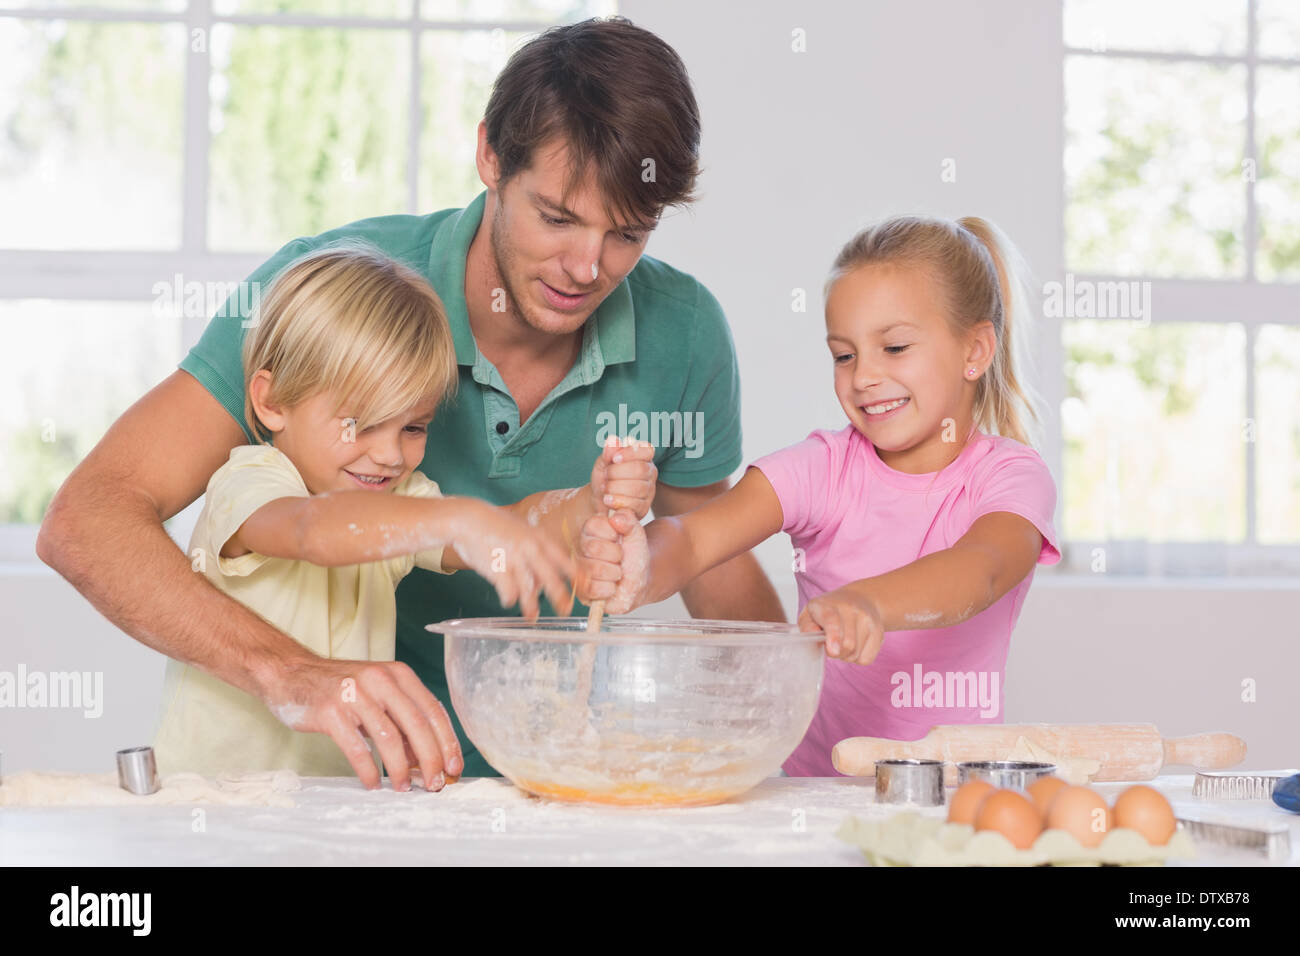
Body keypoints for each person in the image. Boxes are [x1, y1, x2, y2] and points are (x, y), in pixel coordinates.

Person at [36, 17, 782, 788]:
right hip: (354, 787)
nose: (586, 267)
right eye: (557, 217)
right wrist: (292, 673)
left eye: (627, 234)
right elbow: (88, 521)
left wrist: (799, 743)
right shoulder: (333, 295)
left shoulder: (684, 331)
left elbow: (701, 548)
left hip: (552, 786)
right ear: (490, 153)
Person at [576, 215, 1062, 776]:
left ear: (975, 351)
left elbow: (981, 569)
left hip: (958, 794)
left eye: (895, 347)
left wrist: (870, 603)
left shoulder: (1011, 477)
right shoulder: (823, 469)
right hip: (816, 796)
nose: (864, 378)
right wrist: (633, 561)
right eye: (844, 354)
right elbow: (695, 537)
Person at [154, 243, 656, 784]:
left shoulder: (398, 501)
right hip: (208, 806)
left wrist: (586, 504)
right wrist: (452, 518)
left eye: (412, 427)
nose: (391, 454)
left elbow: (503, 528)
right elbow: (310, 530)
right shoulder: (249, 480)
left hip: (322, 807)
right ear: (271, 402)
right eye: (362, 424)